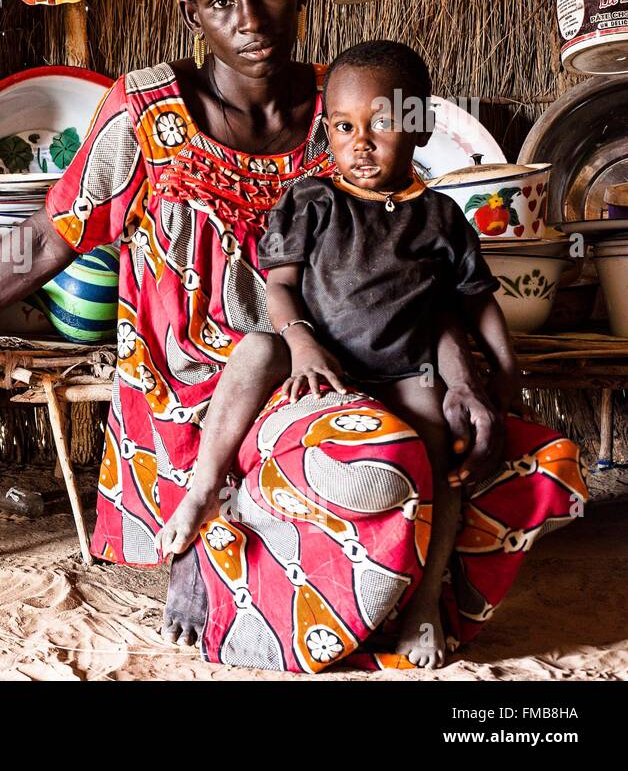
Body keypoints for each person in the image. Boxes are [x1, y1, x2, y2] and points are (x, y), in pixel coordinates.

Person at [0, 0, 587, 673]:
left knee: (452, 454)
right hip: (193, 407)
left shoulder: (346, 113)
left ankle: (299, 562)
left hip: (333, 378)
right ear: (191, 12)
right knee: (378, 466)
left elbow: (413, 265)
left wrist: (463, 370)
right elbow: (45, 239)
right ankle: (213, 535)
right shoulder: (145, 119)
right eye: (221, 1)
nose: (250, 19)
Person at [156, 39, 517, 668]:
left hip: (405, 371)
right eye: (345, 126)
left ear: (420, 125)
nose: (362, 142)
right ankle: (205, 487)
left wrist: (504, 375)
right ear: (328, 130)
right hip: (314, 355)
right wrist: (302, 345)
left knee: (438, 455)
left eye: (382, 123)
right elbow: (281, 285)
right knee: (253, 351)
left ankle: (427, 600)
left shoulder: (440, 218)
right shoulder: (312, 202)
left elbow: (474, 305)